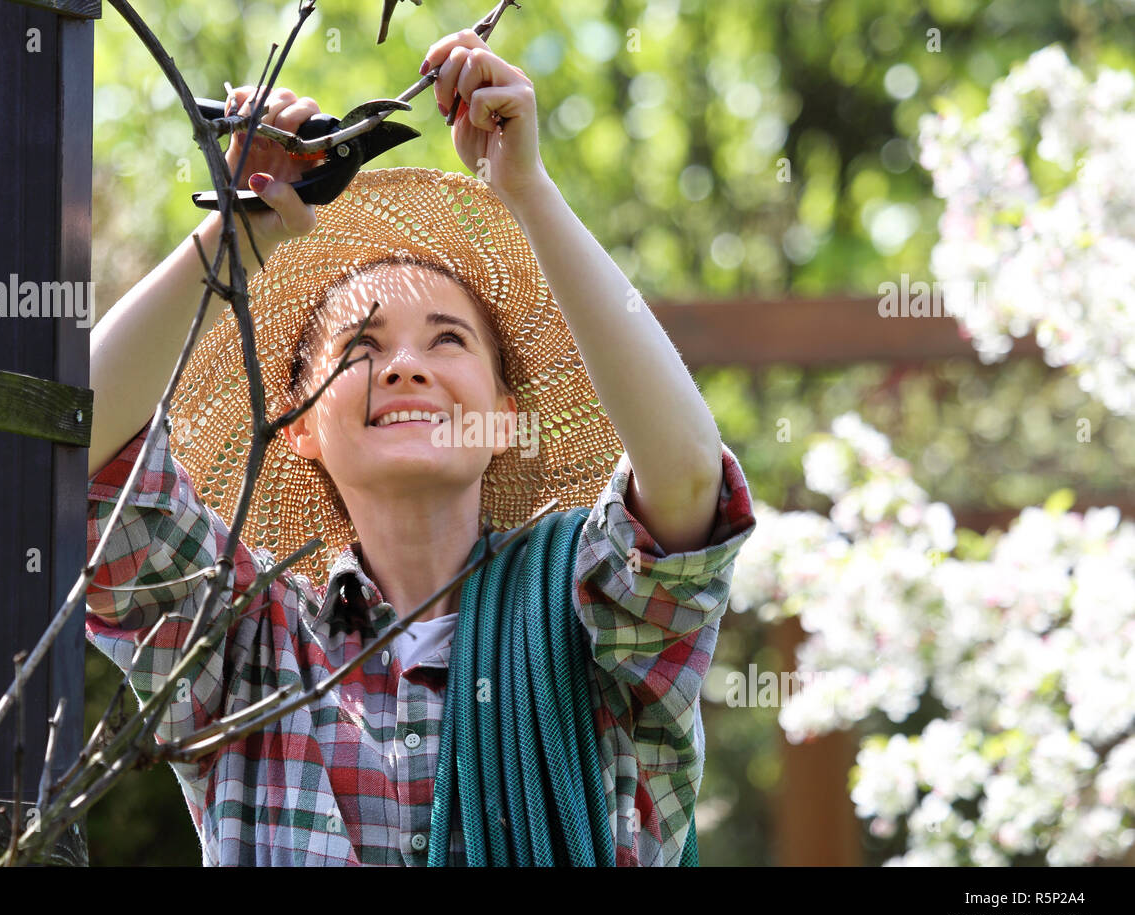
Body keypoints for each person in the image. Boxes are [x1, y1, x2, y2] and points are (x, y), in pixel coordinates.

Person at [84, 29, 756, 865]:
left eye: (447, 342)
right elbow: (77, 437)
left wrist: (530, 191)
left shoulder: (590, 617)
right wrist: (238, 238)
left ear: (505, 415)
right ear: (297, 425)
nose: (404, 367)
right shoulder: (245, 646)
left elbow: (690, 474)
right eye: (361, 349)